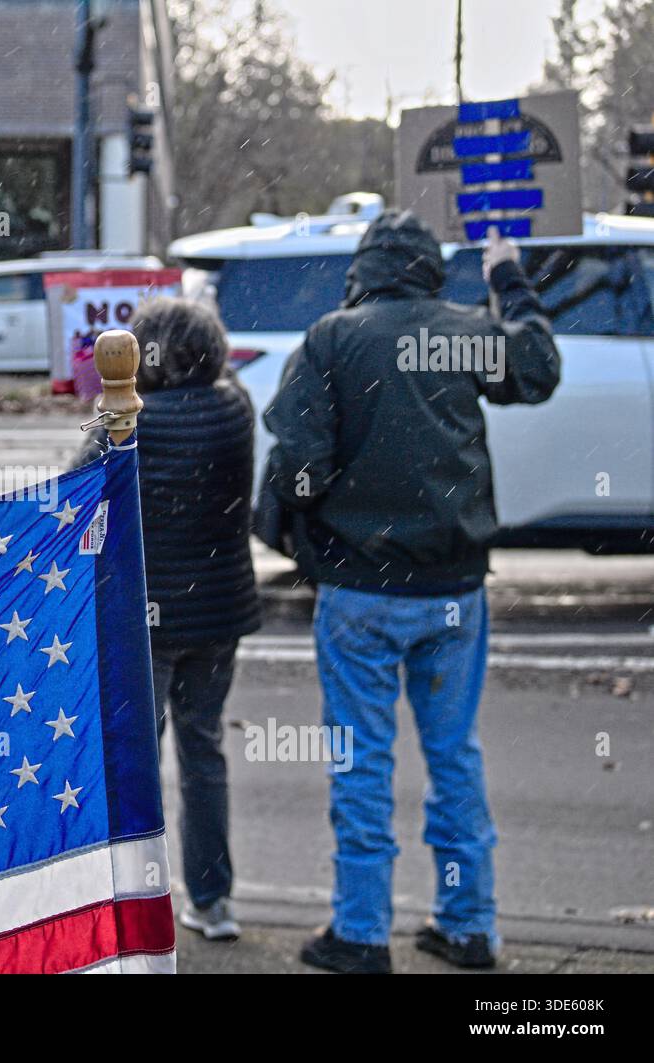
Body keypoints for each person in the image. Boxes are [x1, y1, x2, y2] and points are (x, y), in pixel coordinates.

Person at [261, 212, 561, 974]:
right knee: (454, 755)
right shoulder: (459, 332)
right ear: (431, 270)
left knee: (360, 763)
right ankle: (468, 926)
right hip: (454, 588)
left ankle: (361, 933)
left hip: (359, 587)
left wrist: (307, 523)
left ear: (363, 269)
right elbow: (538, 368)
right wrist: (506, 274)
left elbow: (299, 459)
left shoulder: (332, 338)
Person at [74, 298, 261, 941]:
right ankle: (213, 902)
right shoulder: (235, 411)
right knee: (203, 751)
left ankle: (131, 898)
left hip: (143, 620)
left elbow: (77, 502)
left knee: (136, 761)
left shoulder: (123, 424)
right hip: (219, 613)